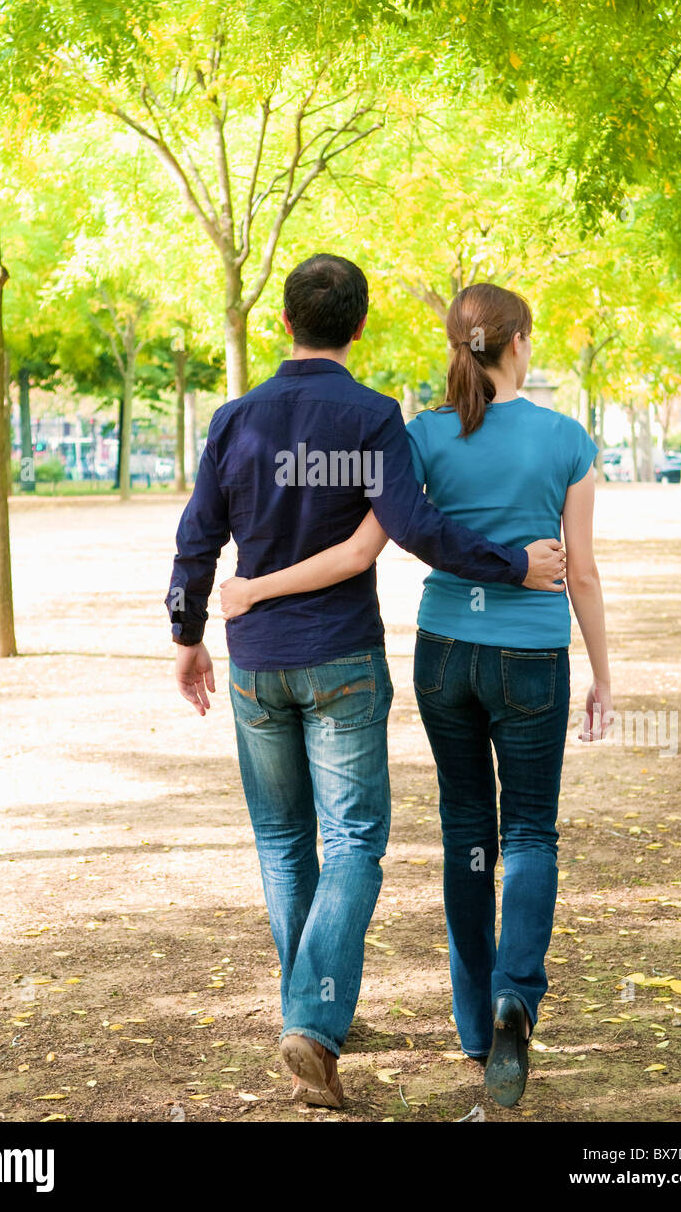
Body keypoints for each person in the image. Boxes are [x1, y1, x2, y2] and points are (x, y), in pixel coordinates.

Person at [166, 256, 566, 1110]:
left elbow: (197, 535)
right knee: (351, 841)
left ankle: (308, 1014)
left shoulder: (233, 419)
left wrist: (186, 633)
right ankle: (312, 1022)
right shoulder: (372, 417)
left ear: (283, 323)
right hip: (341, 658)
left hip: (256, 661)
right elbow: (415, 528)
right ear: (358, 326)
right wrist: (512, 565)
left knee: (282, 841)